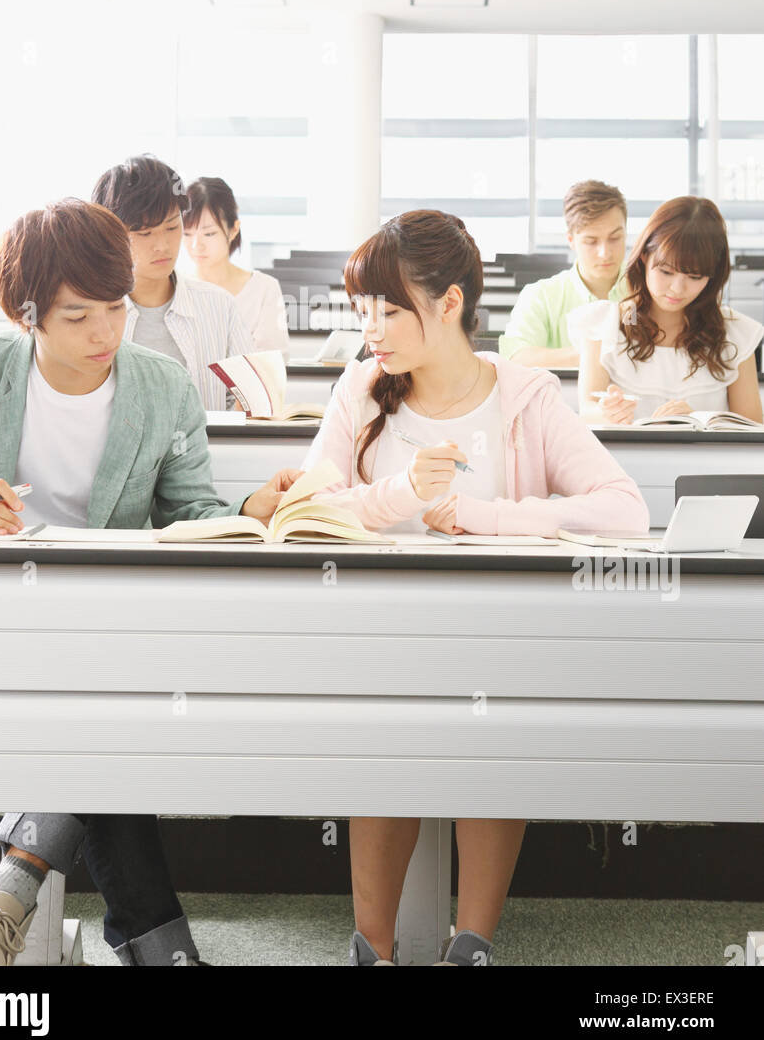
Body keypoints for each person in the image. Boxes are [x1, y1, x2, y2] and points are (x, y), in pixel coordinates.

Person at [0, 199, 302, 967]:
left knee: (96, 695)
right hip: (0, 626)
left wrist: (244, 510)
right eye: (78, 316)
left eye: (116, 310)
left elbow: (189, 510)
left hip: (112, 631)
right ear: (28, 314)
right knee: (101, 712)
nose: (105, 334)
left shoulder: (161, 386)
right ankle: (160, 949)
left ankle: (9, 895)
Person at [298, 210, 649, 966]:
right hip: (378, 632)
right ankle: (374, 951)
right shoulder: (361, 389)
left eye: (390, 310)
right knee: (381, 724)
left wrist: (485, 516)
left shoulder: (523, 394)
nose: (373, 330)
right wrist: (397, 496)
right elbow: (307, 508)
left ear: (450, 303)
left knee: (501, 715)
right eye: (364, 311)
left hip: (497, 633)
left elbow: (625, 510)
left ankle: (470, 949)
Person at [574, 196, 764, 425]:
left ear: (712, 276)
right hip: (622, 459)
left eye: (695, 277)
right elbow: (586, 410)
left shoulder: (735, 332)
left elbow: (752, 430)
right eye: (666, 272)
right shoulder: (604, 324)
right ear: (644, 256)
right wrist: (607, 413)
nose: (677, 289)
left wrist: (694, 420)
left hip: (709, 460)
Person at [92, 155, 253, 411]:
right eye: (145, 233)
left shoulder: (219, 306)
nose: (162, 246)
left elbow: (250, 398)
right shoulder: (88, 315)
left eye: (171, 227)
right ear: (112, 234)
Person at [499, 180, 627, 368]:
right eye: (591, 241)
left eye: (615, 238)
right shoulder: (540, 295)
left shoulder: (651, 288)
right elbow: (516, 357)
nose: (605, 253)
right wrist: (598, 354)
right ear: (571, 240)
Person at [181, 175, 290, 358]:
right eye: (187, 234)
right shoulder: (176, 288)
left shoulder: (263, 288)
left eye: (209, 234)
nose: (196, 245)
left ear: (233, 229)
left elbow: (273, 361)